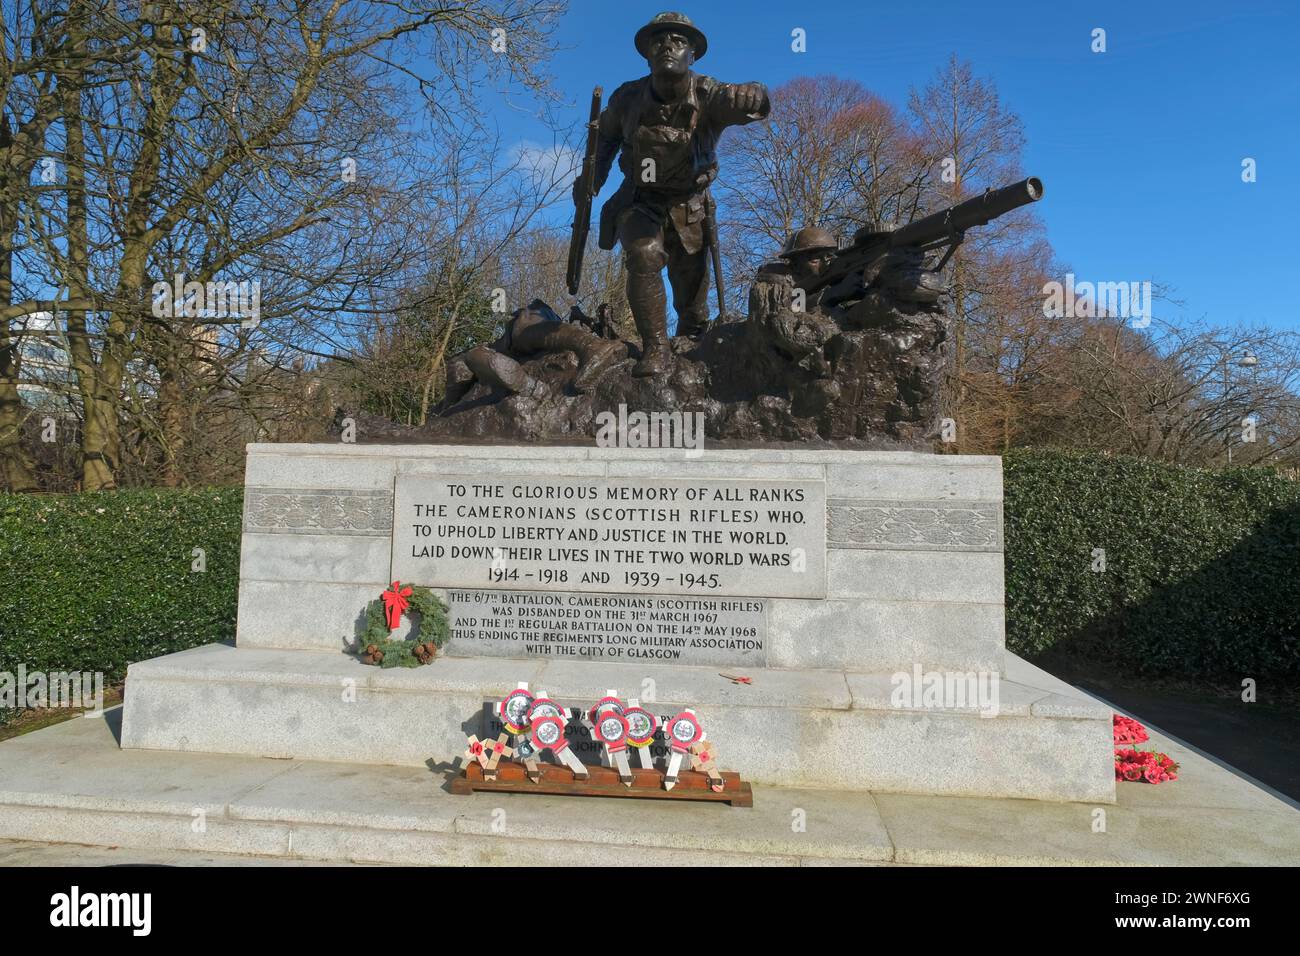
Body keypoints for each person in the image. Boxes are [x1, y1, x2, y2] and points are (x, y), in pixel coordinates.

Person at [579, 11, 769, 378]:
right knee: (644, 253)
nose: (668, 45)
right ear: (647, 54)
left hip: (689, 209)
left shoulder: (709, 94)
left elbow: (744, 102)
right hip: (639, 201)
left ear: (692, 55)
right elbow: (605, 137)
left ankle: (691, 353)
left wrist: (755, 93)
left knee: (693, 308)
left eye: (678, 41)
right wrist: (593, 177)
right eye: (658, 41)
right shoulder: (627, 98)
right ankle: (655, 348)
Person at [444, 300, 624, 405]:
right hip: (518, 347)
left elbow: (458, 373)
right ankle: (528, 385)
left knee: (522, 330)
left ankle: (590, 345)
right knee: (475, 356)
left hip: (521, 335)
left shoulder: (522, 326)